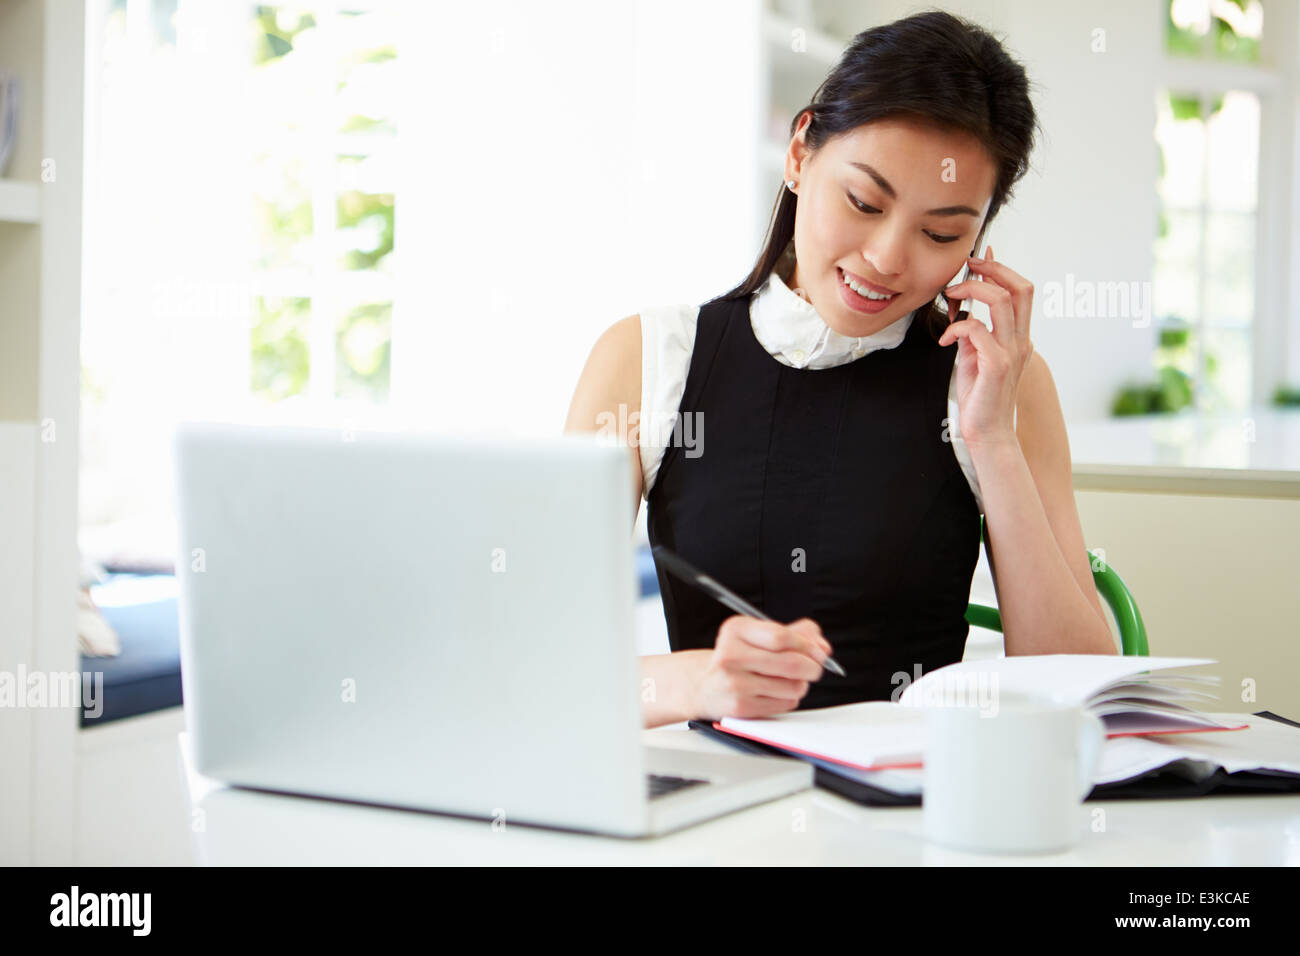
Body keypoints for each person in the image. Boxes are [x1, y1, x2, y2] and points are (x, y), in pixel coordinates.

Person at [565, 10, 1117, 730]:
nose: (889, 257)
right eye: (863, 201)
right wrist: (693, 683)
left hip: (917, 814)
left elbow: (1082, 691)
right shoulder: (646, 358)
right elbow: (538, 661)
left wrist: (994, 444)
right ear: (799, 153)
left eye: (941, 232)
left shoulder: (998, 383)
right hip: (720, 811)